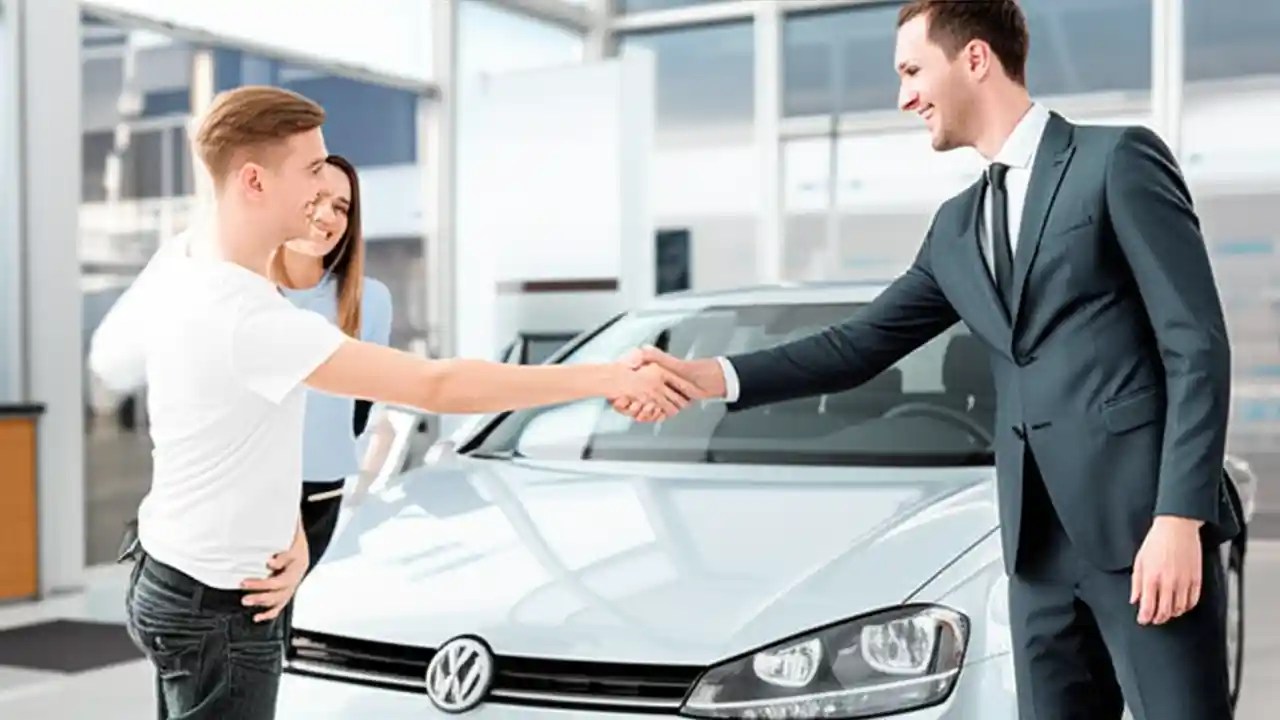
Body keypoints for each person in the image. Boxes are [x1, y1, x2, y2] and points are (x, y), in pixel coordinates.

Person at [621, 2, 1239, 719]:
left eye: (912, 71)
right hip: (1035, 558)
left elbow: (1194, 344)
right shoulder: (956, 228)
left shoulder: (1115, 161)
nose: (904, 96)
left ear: (974, 59)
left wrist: (1177, 518)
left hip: (1141, 534)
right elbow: (857, 346)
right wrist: (708, 377)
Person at [88, 85, 698, 720]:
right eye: (312, 169)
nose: (326, 185)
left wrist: (288, 529)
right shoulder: (250, 317)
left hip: (171, 569)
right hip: (220, 604)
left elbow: (227, 429)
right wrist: (604, 379)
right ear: (253, 181)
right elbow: (436, 385)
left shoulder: (186, 256)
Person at [270, 154, 392, 572]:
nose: (328, 215)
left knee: (290, 624)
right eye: (316, 198)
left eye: (341, 206)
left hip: (319, 491)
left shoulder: (369, 299)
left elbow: (364, 402)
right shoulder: (245, 291)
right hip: (247, 490)